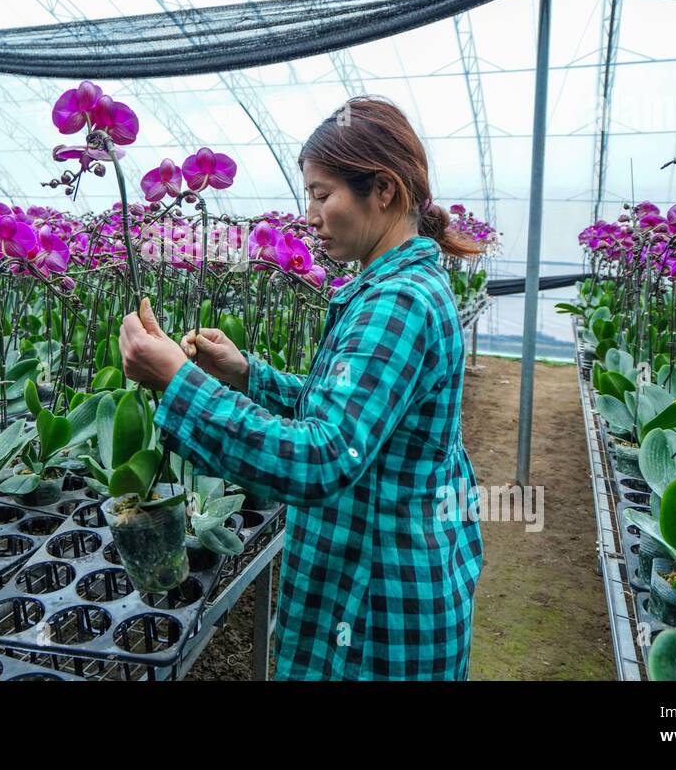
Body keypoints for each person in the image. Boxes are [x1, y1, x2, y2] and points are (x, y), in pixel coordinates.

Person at [118, 96, 484, 680]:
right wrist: (244, 374)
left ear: (383, 190)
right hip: (374, 575)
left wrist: (177, 383)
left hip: (373, 612)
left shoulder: (399, 303)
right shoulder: (392, 287)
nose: (309, 215)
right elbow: (349, 416)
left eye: (321, 195)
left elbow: (322, 457)